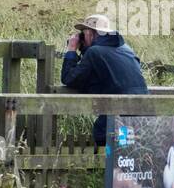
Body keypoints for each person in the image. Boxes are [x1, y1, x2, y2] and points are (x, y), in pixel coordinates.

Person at [60, 13, 148, 147]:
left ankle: (104, 165)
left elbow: (69, 78)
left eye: (83, 34)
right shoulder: (126, 49)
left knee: (102, 135)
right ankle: (124, 164)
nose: (82, 38)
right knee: (127, 148)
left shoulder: (95, 52)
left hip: (119, 112)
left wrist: (72, 50)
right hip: (142, 112)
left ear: (90, 34)